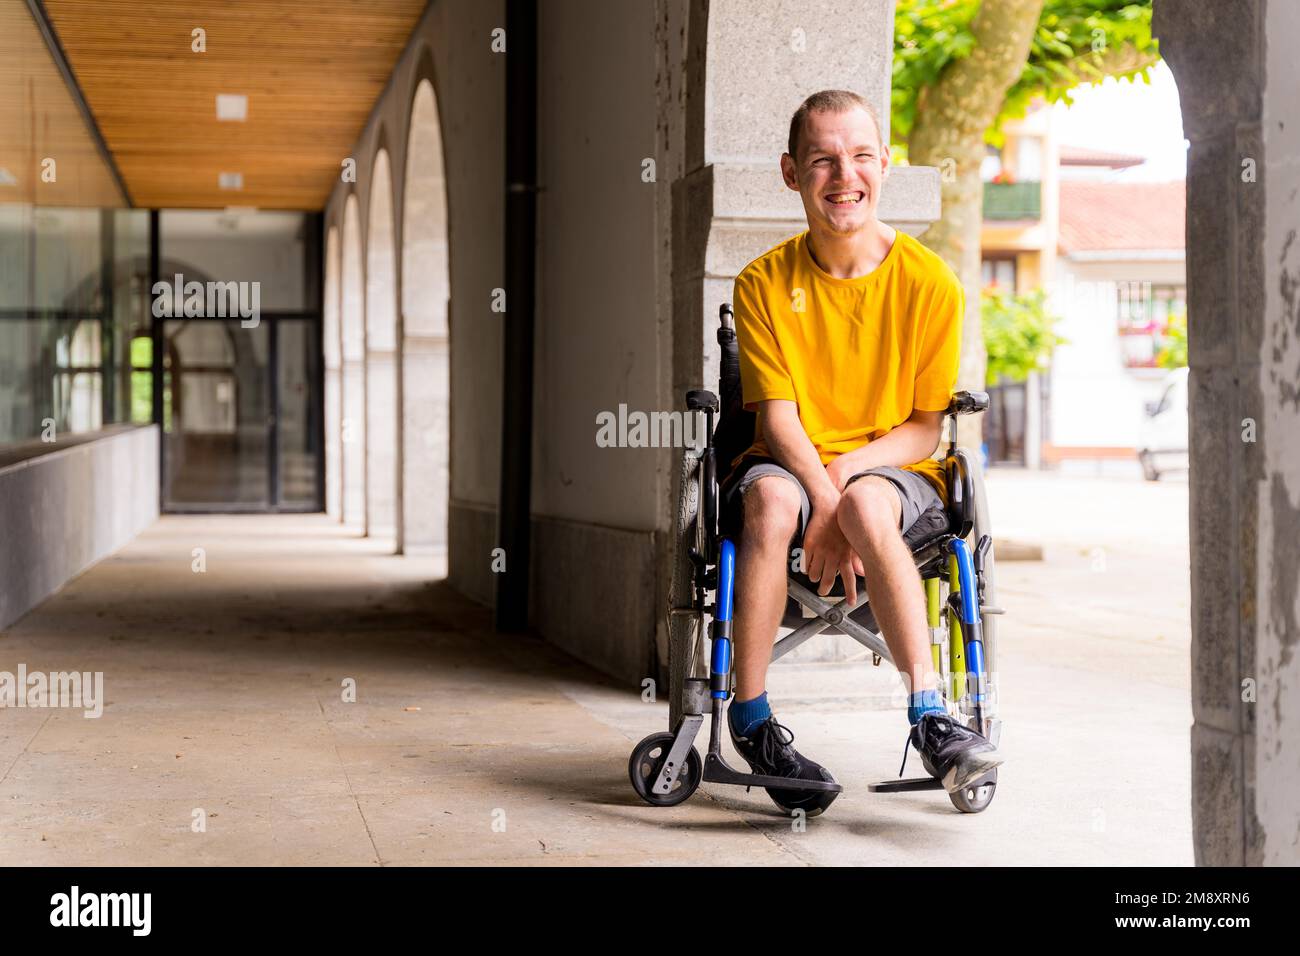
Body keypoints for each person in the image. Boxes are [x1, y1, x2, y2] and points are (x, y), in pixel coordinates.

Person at [720, 89, 1003, 815]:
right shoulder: (762, 283)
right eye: (822, 160)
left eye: (860, 156)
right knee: (769, 498)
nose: (844, 176)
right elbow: (779, 420)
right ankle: (750, 718)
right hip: (789, 464)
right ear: (791, 172)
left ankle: (931, 716)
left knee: (869, 506)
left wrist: (842, 490)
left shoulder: (929, 283)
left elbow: (923, 428)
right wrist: (822, 499)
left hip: (891, 467)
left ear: (885, 164)